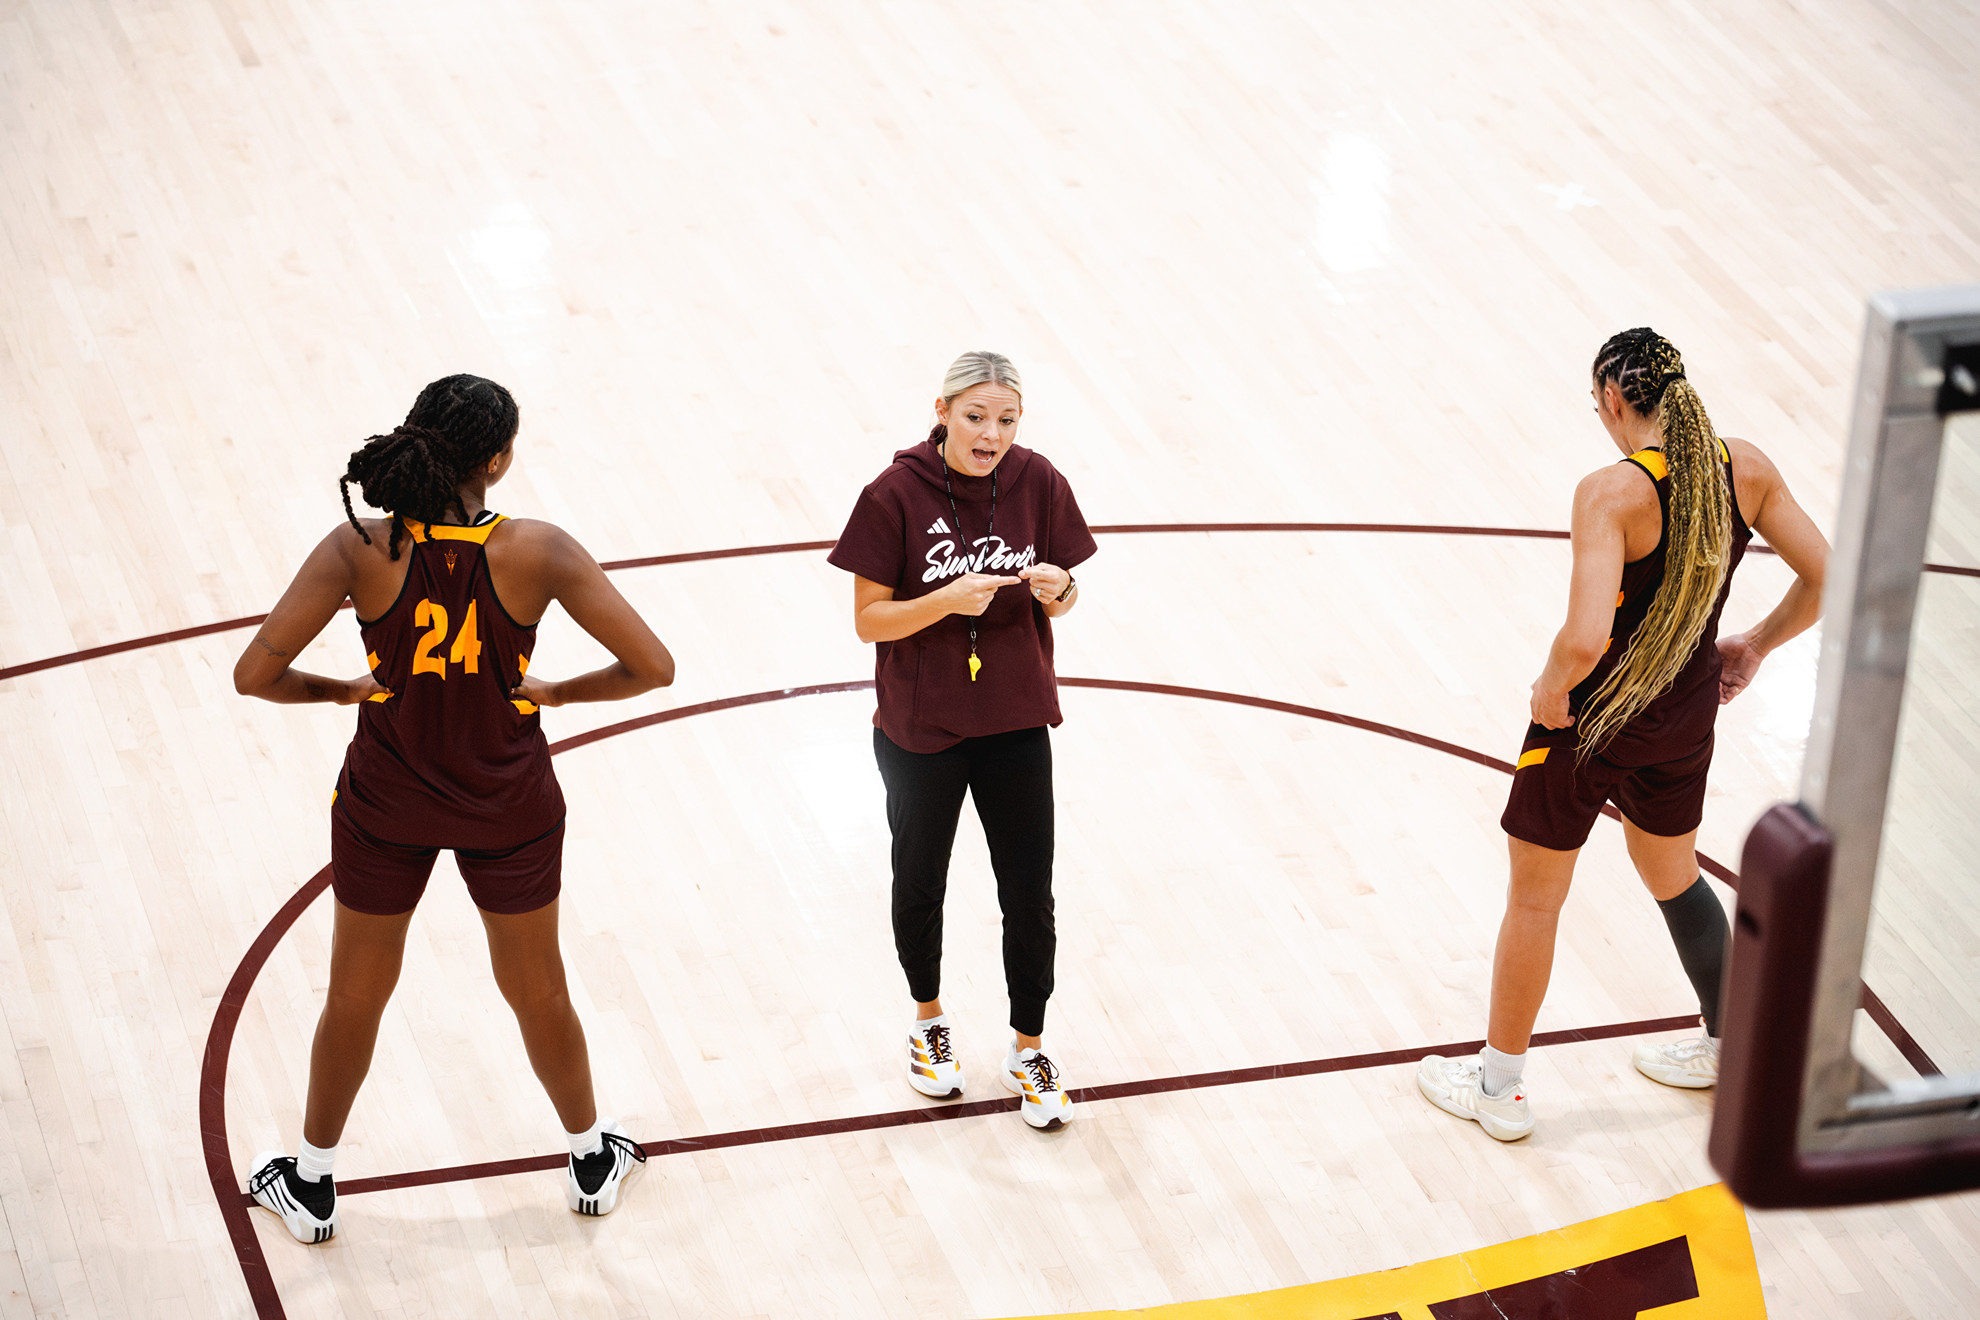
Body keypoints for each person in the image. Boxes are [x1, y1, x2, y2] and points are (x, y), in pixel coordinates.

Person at [235, 375, 675, 1241]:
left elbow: (255, 675)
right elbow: (652, 668)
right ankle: (591, 1159)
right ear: (499, 460)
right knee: (538, 989)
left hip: (385, 803)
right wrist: (556, 691)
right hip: (507, 803)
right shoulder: (539, 550)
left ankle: (314, 1180)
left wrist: (337, 693)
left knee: (355, 993)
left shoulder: (357, 548)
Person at [1417, 329, 1830, 1141]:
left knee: (1537, 896)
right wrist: (1752, 644)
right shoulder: (1743, 467)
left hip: (1592, 721)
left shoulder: (1612, 492)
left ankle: (1499, 1088)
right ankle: (1731, 1045)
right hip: (1685, 718)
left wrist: (1547, 687)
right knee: (1674, 874)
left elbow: (1583, 640)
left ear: (1612, 399)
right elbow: (1824, 572)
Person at [828, 351, 1097, 1130]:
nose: (992, 435)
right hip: (922, 731)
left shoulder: (1038, 481)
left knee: (1029, 895)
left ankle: (1029, 1045)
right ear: (941, 411)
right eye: (977, 417)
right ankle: (929, 1021)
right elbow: (868, 619)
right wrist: (944, 601)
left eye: (1007, 420)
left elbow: (1068, 599)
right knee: (920, 882)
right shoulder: (893, 494)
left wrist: (1063, 590)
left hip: (1014, 721)